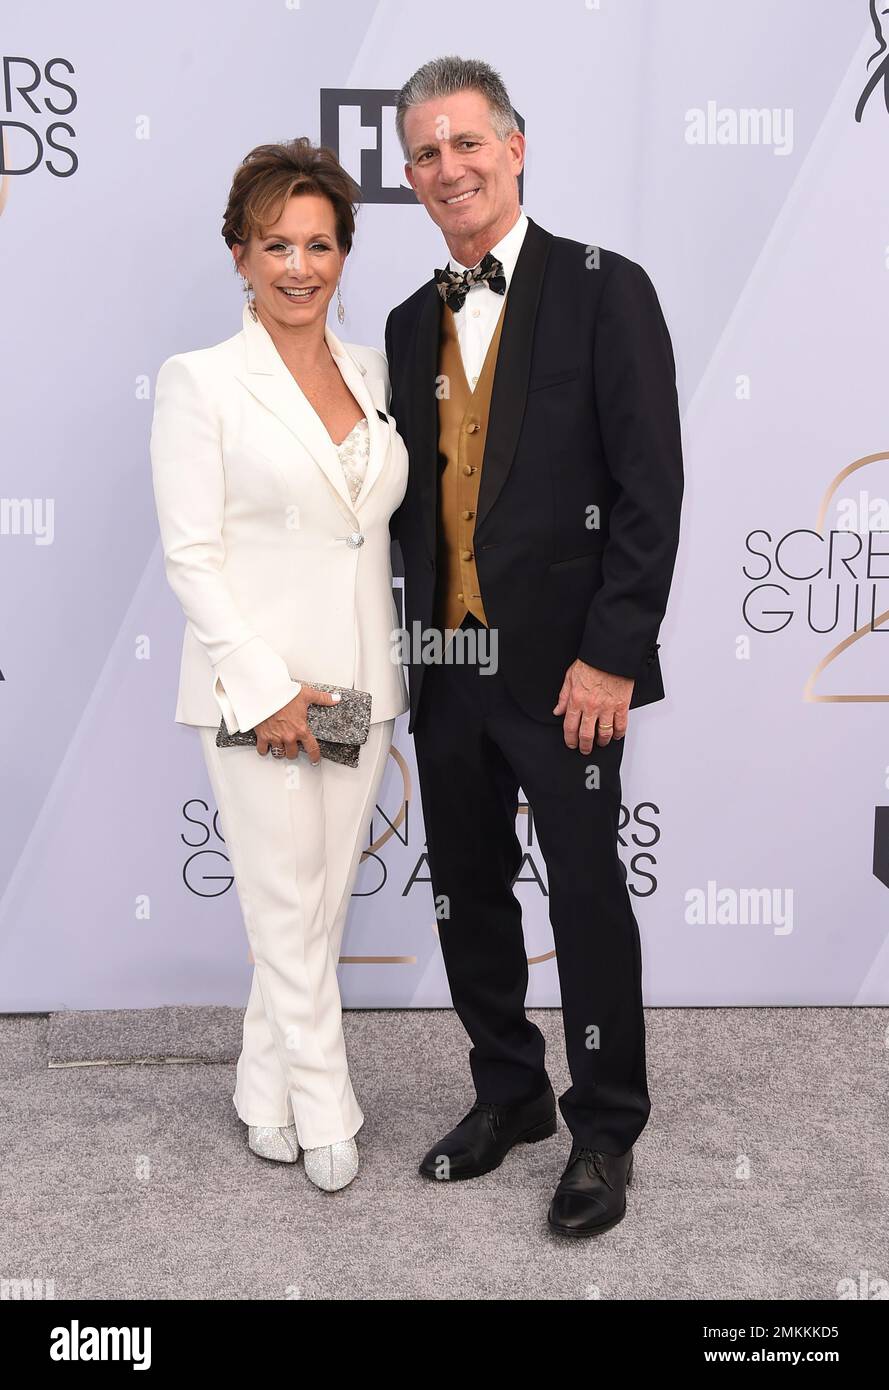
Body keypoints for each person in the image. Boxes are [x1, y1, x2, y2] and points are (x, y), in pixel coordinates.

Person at [386, 57, 684, 1235]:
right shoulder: (412, 323)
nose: (448, 167)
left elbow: (649, 488)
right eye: (425, 153)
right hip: (450, 671)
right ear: (407, 176)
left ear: (514, 147)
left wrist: (611, 656)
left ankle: (605, 1124)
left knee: (588, 896)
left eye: (467, 143)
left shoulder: (608, 289)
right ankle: (508, 1093)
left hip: (570, 675)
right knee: (465, 891)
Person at [149, 138, 409, 1191]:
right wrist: (266, 689)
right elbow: (191, 557)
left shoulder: (372, 370)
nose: (299, 266)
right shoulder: (199, 382)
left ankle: (262, 1089)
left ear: (344, 253)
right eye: (275, 245)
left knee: (316, 908)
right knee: (278, 902)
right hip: (255, 692)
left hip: (361, 686)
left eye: (319, 244)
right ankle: (326, 1107)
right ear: (238, 255)